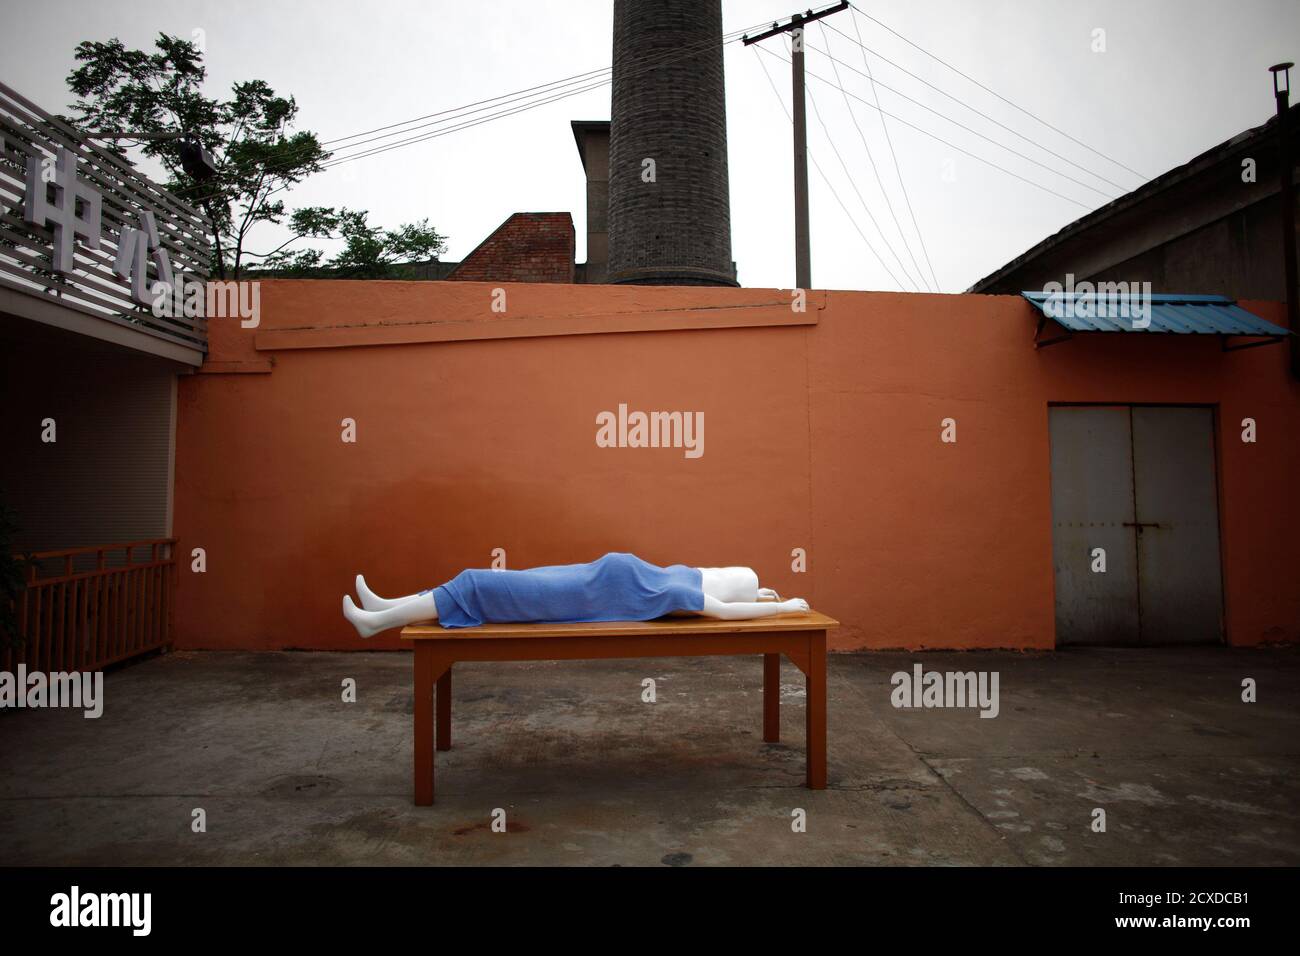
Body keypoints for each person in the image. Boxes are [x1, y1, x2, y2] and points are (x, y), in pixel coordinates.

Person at [341, 551, 809, 637]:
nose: (718, 567)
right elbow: (736, 595)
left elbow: (728, 613)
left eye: (727, 570)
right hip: (579, 576)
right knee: (479, 582)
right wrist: (768, 593)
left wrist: (783, 607)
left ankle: (377, 620)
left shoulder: (682, 593)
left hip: (573, 596)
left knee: (478, 583)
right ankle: (391, 606)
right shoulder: (685, 574)